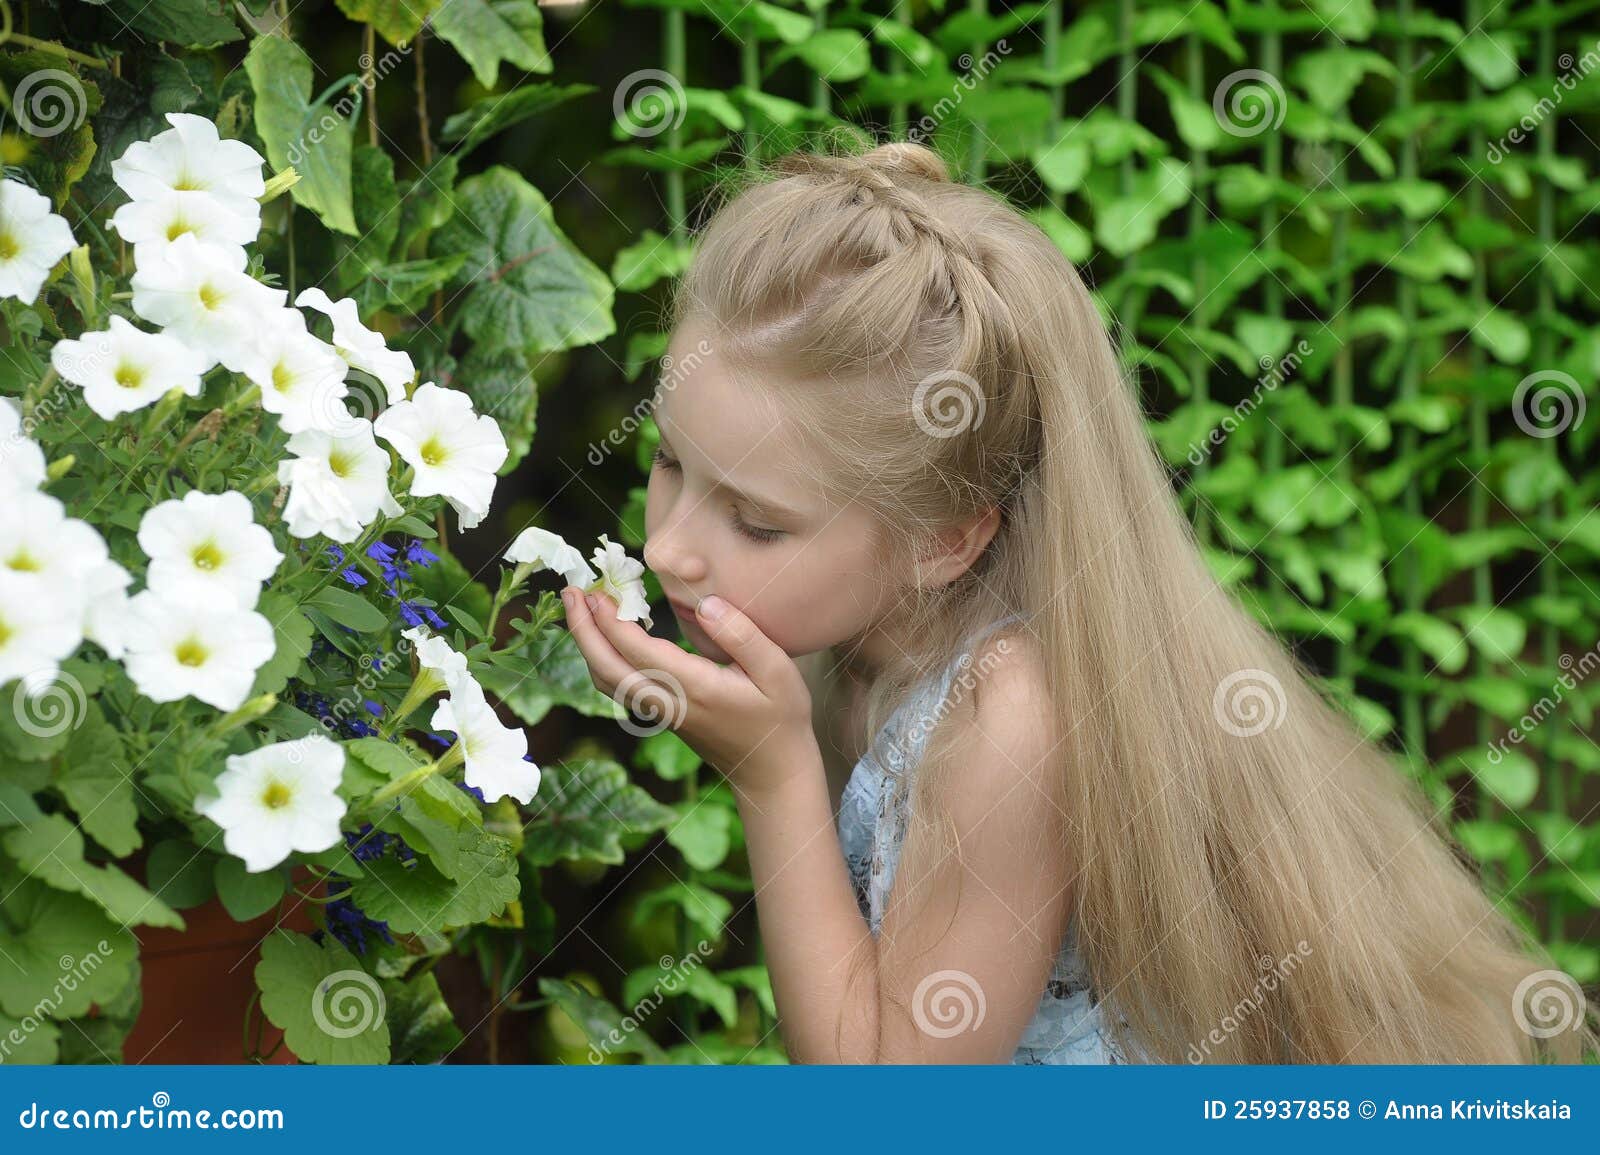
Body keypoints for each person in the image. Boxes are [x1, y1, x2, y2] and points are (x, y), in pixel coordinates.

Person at [563, 140, 1597, 1064]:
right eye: (668, 461)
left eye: (755, 522)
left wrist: (772, 774)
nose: (669, 547)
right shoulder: (865, 646)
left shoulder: (1006, 715)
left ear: (944, 541)